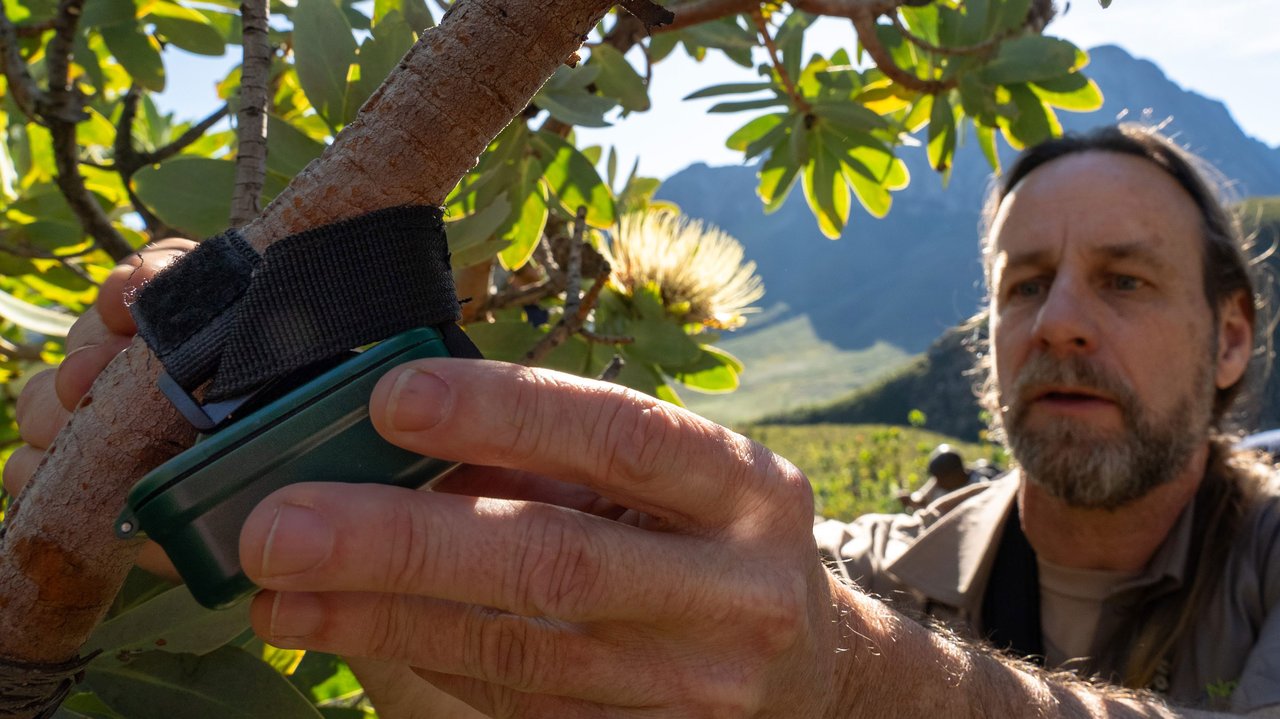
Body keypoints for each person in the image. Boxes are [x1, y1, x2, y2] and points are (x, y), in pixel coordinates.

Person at [7, 123, 1279, 718]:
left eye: (1123, 279)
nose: (1057, 320)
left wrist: (849, 676)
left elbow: (821, 656)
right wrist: (392, 564)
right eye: (1021, 284)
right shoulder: (891, 560)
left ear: (1232, 337)